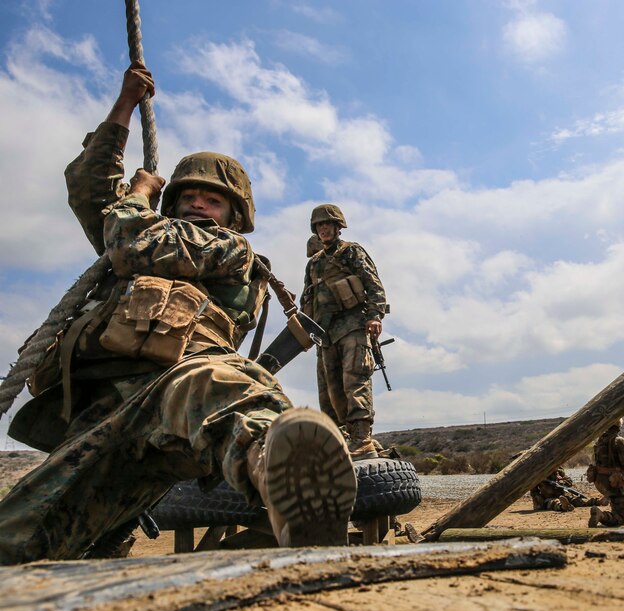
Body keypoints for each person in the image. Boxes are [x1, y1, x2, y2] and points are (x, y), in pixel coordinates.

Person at [0, 65, 358, 564]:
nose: (197, 204)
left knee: (224, 390)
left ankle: (286, 483)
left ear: (234, 218)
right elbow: (90, 191)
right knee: (18, 536)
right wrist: (124, 105)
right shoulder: (140, 234)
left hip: (174, 390)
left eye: (212, 200)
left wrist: (142, 193)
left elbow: (129, 238)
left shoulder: (225, 249)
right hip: (102, 412)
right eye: (187, 197)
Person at [301, 205, 388, 459]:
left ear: (338, 226)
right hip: (324, 333)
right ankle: (340, 438)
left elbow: (373, 283)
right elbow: (309, 296)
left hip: (352, 326)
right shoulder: (314, 263)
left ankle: (362, 437)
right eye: (319, 226)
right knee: (329, 389)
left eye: (327, 224)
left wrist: (374, 315)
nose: (323, 229)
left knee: (355, 380)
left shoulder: (351, 251)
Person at [587, 418, 624, 527]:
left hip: (600, 481)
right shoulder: (619, 441)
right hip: (614, 481)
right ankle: (601, 516)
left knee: (616, 501)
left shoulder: (600, 441)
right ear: (618, 426)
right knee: (623, 514)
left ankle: (609, 512)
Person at [530, 467, 607, 512]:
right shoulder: (538, 475)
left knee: (576, 500)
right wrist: (538, 503)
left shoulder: (558, 471)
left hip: (563, 495)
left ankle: (598, 501)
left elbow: (569, 482)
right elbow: (534, 492)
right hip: (548, 499)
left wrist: (561, 481)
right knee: (554, 503)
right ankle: (564, 507)